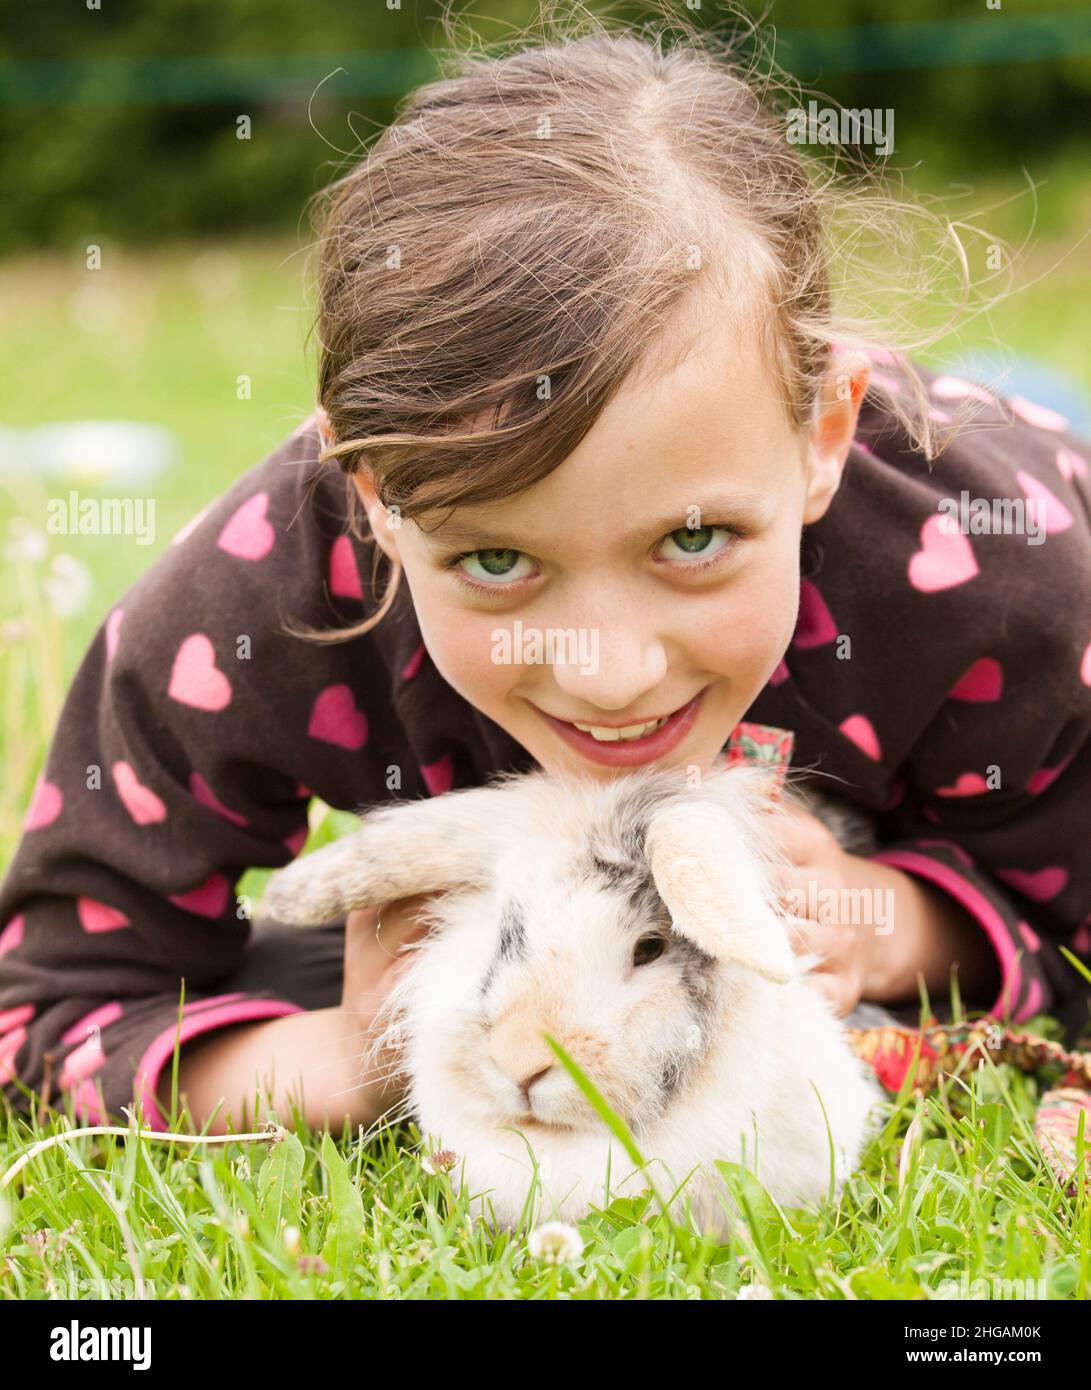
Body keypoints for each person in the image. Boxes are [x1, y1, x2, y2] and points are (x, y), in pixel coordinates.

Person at [2, 18, 1089, 1138]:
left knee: (1035, 396)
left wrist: (898, 923)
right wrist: (348, 1050)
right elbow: (48, 1012)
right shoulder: (254, 603)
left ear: (820, 435)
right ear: (373, 494)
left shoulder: (993, 572)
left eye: (694, 538)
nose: (610, 674)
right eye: (495, 560)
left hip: (1023, 440)